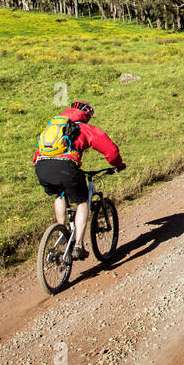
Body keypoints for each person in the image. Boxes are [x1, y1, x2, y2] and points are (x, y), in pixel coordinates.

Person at [33, 100, 125, 261]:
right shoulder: (83, 128)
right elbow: (109, 149)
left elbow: (39, 151)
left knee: (60, 193)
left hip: (42, 167)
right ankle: (78, 246)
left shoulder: (54, 126)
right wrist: (117, 164)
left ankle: (61, 231)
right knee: (82, 202)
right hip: (66, 168)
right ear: (87, 115)